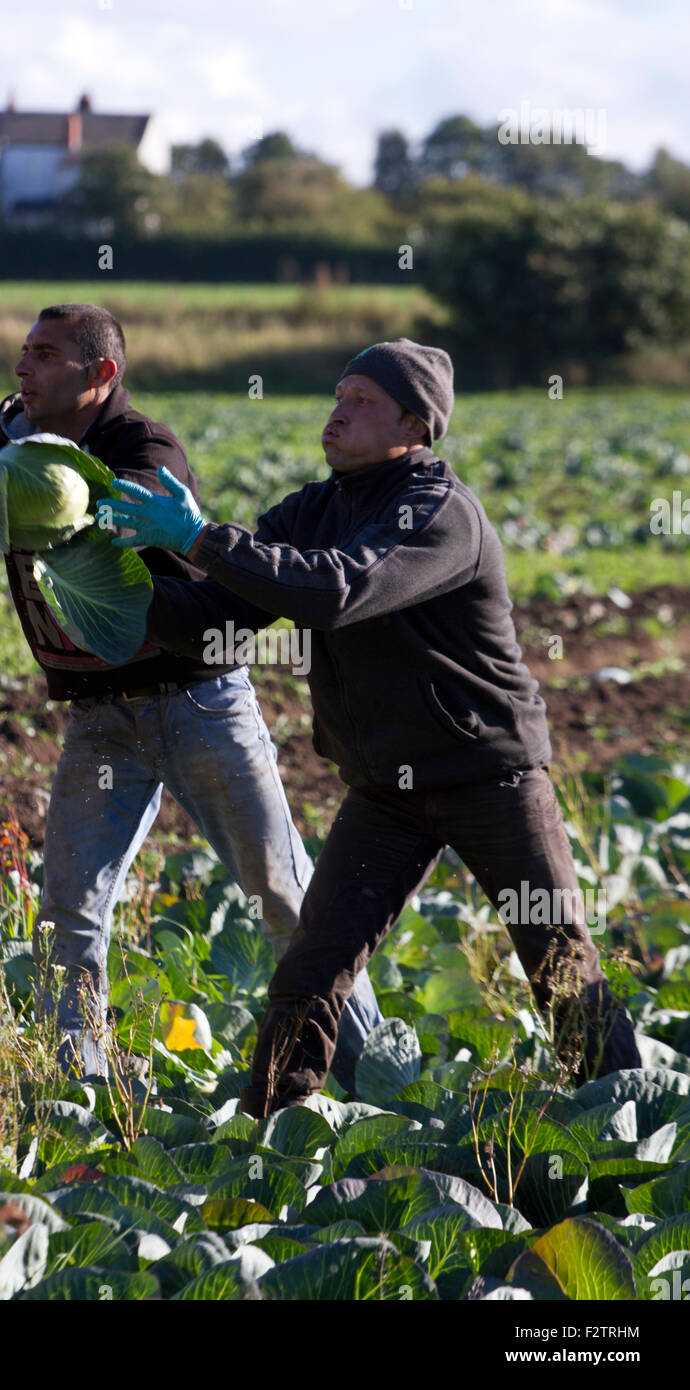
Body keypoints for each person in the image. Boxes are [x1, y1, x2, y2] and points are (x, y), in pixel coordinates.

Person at [101, 336, 643, 1117]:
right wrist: (101, 579)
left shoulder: (439, 514)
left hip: (490, 776)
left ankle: (625, 1123)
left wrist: (200, 537)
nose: (338, 412)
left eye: (362, 401)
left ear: (416, 425)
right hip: (387, 793)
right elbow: (220, 619)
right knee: (309, 973)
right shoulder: (313, 510)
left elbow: (339, 591)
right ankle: (271, 1142)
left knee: (558, 963)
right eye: (339, 394)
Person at [0, 303, 381, 1087]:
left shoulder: (145, 447)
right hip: (99, 719)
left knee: (280, 893)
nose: (22, 368)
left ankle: (370, 1067)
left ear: (100, 373)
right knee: (70, 910)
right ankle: (78, 1084)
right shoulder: (19, 451)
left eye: (44, 355)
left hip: (197, 702)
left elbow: (101, 519)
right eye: (23, 352)